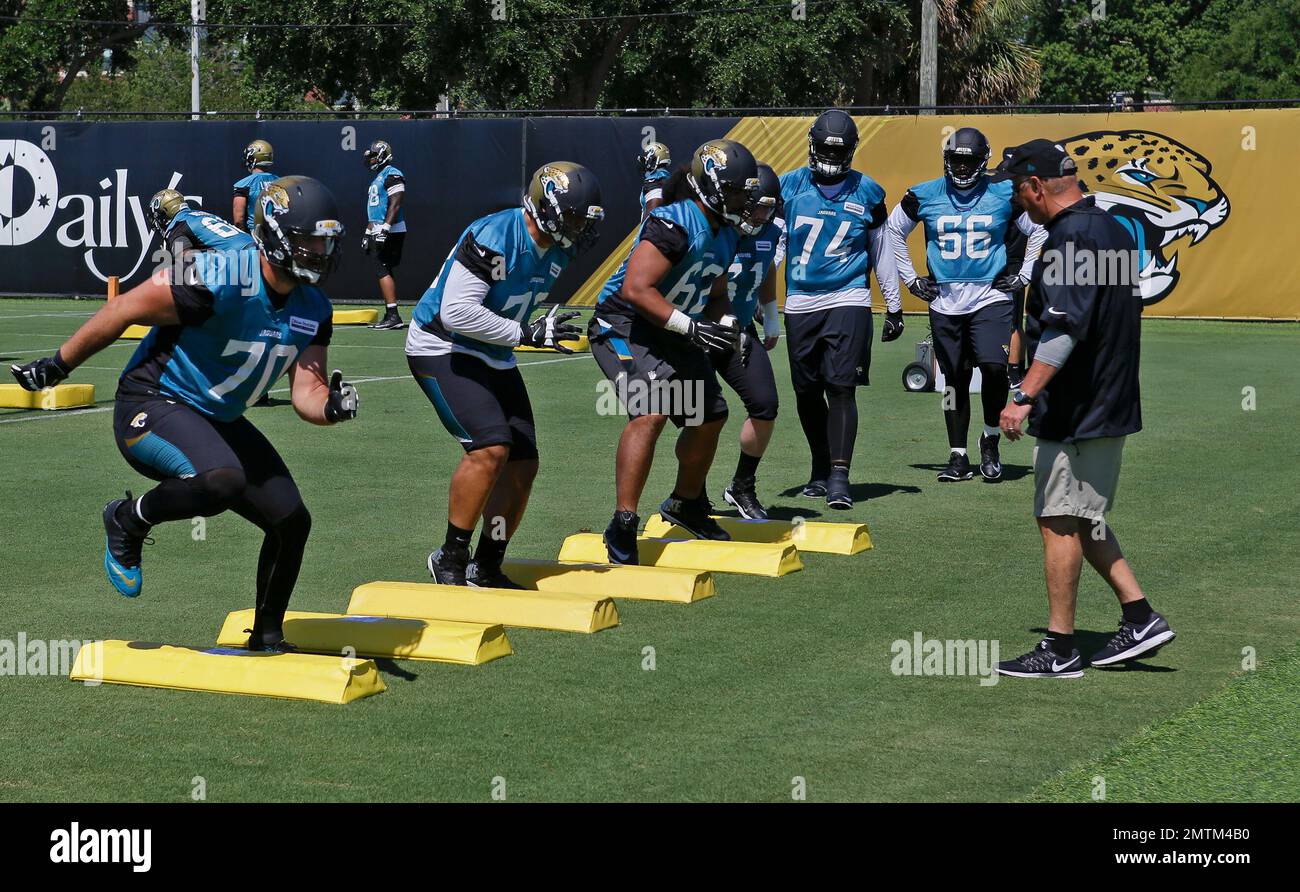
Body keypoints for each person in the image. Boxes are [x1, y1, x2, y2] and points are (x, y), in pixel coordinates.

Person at [10, 176, 359, 652]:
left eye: (327, 241)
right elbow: (125, 308)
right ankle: (128, 518)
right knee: (222, 479)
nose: (321, 250)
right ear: (279, 235)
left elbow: (307, 392)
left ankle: (267, 635)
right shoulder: (220, 277)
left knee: (291, 520)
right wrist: (57, 365)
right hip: (152, 402)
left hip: (217, 417)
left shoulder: (313, 306)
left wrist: (333, 408)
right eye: (311, 240)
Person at [991, 140, 1175, 678]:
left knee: (1058, 522)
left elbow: (1066, 328)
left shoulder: (1071, 239)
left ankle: (1061, 647)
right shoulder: (1110, 228)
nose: (1016, 201)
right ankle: (1139, 616)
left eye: (1016, 189)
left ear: (1036, 187)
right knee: (1083, 517)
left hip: (1080, 406)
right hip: (1108, 398)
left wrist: (1022, 396)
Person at [408, 162, 603, 587]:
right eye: (572, 215)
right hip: (443, 344)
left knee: (523, 463)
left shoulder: (557, 245)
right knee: (490, 447)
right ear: (543, 207)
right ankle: (450, 557)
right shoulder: (497, 236)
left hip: (493, 353)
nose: (579, 226)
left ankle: (488, 562)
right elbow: (456, 312)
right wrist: (525, 332)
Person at [589, 139, 758, 564]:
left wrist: (727, 324)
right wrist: (691, 327)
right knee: (651, 410)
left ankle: (685, 502)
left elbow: (716, 292)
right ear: (710, 186)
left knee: (709, 415)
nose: (743, 199)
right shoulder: (674, 222)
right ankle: (623, 521)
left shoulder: (726, 230)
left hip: (673, 326)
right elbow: (635, 289)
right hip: (624, 321)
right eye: (736, 190)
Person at [885, 127, 1046, 483]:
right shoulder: (924, 194)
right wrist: (910, 279)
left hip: (990, 296)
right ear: (946, 160)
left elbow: (1039, 228)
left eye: (968, 160)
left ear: (982, 162)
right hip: (945, 299)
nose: (961, 167)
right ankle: (957, 453)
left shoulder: (1004, 193)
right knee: (954, 379)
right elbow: (893, 230)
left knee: (992, 368)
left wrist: (1023, 276)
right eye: (955, 160)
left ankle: (989, 438)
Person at [778, 109, 901, 509]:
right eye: (826, 149)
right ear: (812, 145)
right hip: (800, 299)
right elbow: (776, 245)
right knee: (806, 390)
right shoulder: (789, 186)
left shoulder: (869, 192)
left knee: (841, 386)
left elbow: (881, 251)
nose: (831, 157)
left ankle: (839, 475)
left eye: (839, 150)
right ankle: (819, 464)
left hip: (848, 296)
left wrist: (894, 305)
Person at [715, 163, 784, 519]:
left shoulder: (769, 230)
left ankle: (742, 486)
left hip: (741, 329)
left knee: (765, 404)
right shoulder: (718, 230)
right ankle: (688, 494)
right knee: (700, 414)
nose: (760, 215)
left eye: (767, 209)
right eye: (755, 206)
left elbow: (767, 264)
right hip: (699, 331)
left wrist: (770, 312)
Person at [362, 139, 408, 330]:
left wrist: (386, 228)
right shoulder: (379, 177)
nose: (371, 160)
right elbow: (375, 208)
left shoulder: (392, 174)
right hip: (378, 228)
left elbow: (395, 203)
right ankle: (391, 314)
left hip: (389, 229)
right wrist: (367, 231)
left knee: (383, 269)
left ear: (381, 155)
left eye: (373, 156)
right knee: (383, 269)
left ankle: (393, 315)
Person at [231, 139, 275, 233]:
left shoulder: (244, 184)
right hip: (278, 236)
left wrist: (245, 239)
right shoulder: (281, 182)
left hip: (256, 237)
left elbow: (238, 220)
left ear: (251, 158)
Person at [638, 141, 672, 219]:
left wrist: (645, 230)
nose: (643, 164)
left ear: (653, 160)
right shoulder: (667, 177)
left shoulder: (656, 181)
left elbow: (651, 217)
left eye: (644, 160)